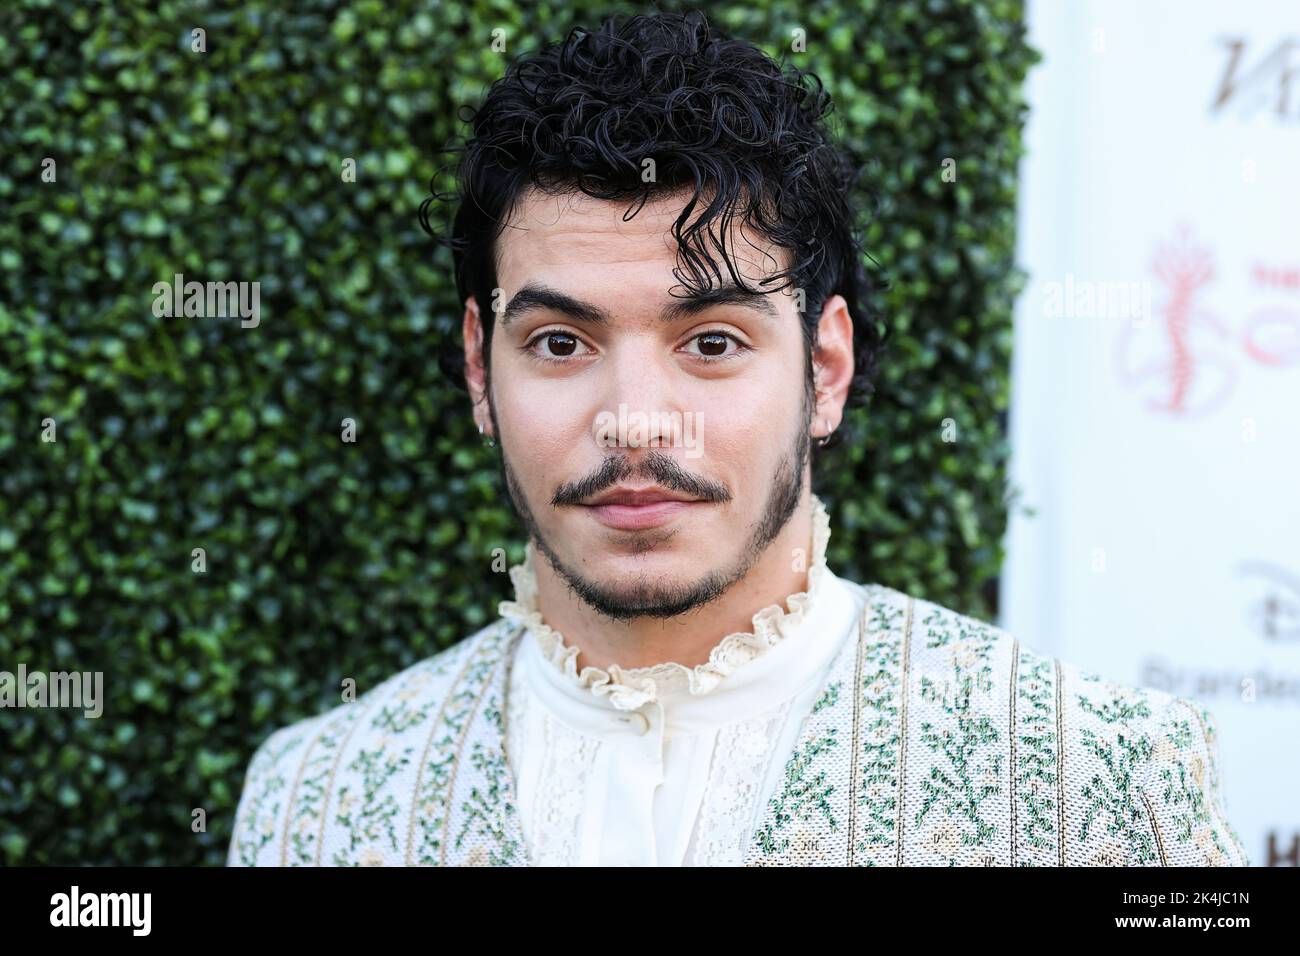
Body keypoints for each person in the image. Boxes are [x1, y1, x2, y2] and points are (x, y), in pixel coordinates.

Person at [227, 10, 1249, 867]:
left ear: (825, 369)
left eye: (710, 340)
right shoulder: (308, 802)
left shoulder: (1102, 782)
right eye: (558, 340)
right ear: (476, 369)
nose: (633, 418)